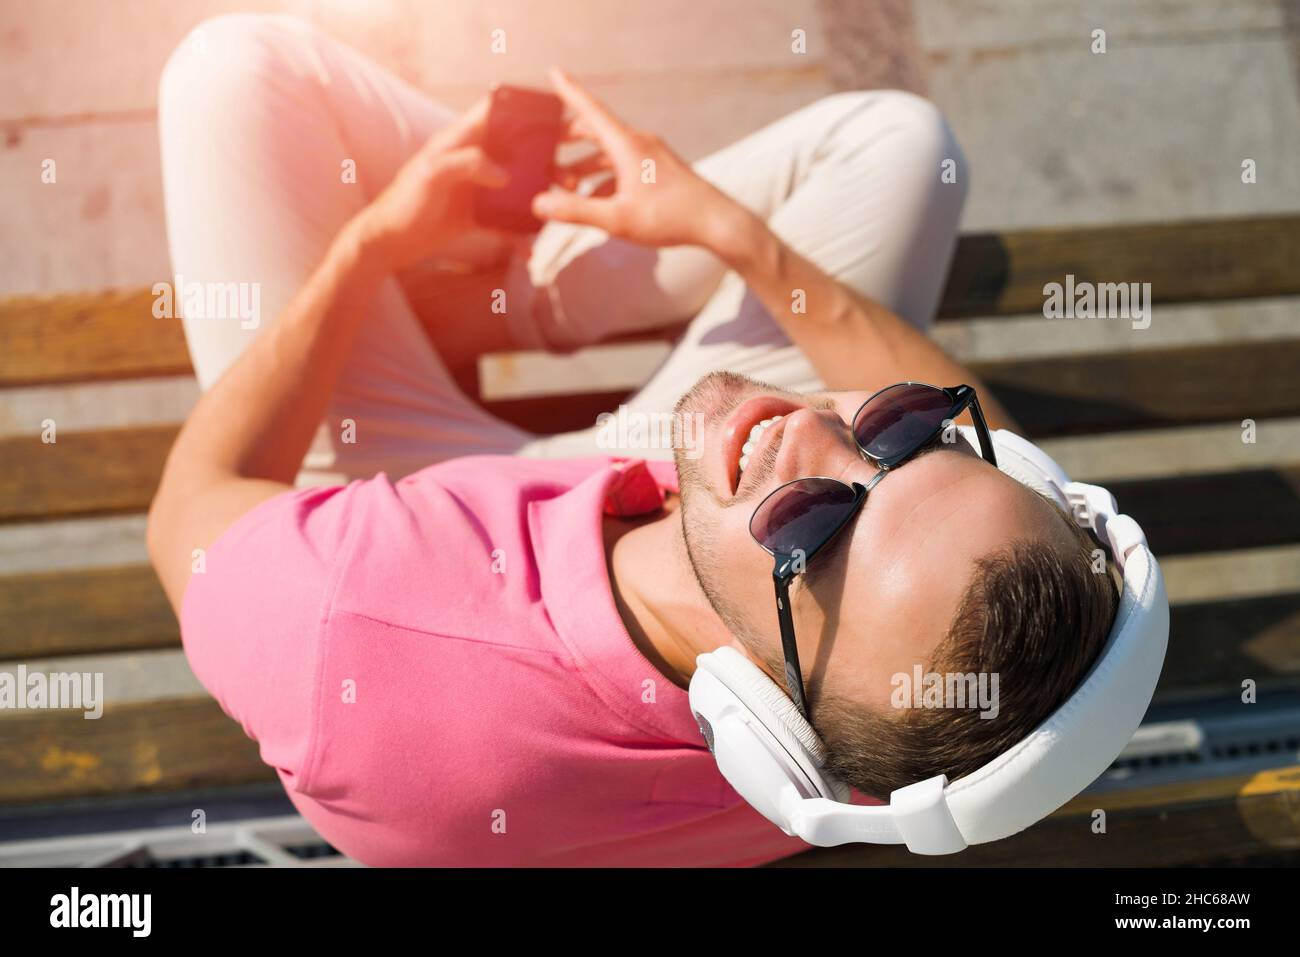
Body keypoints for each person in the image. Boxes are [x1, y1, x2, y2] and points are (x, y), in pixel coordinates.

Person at [149, 13, 1117, 866]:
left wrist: (370, 251)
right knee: (902, 145)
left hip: (409, 503)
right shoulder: (911, 714)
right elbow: (982, 474)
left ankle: (475, 275)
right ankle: (526, 288)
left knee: (232, 71)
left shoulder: (352, 630)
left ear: (772, 729)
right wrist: (725, 232)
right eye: (903, 435)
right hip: (689, 504)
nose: (814, 425)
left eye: (817, 530)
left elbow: (192, 507)